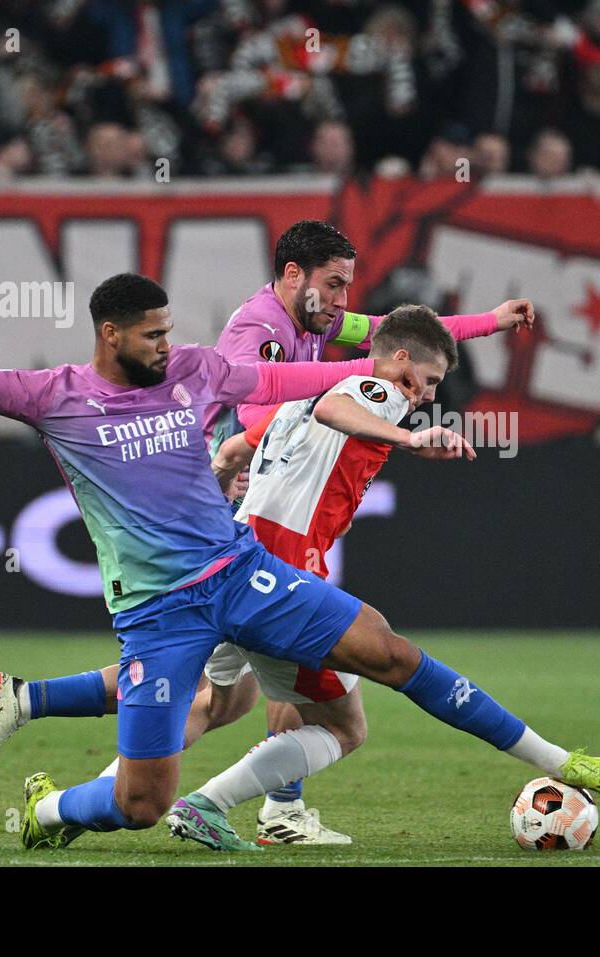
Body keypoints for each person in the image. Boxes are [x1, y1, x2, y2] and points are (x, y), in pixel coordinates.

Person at [0, 238, 600, 853]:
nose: (167, 344)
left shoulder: (195, 370)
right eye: (152, 334)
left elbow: (304, 384)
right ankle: (49, 810)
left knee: (389, 654)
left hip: (241, 571)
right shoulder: (55, 398)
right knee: (142, 803)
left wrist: (397, 368)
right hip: (158, 613)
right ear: (110, 334)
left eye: (168, 331)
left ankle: (554, 760)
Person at [0, 220, 534, 843]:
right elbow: (259, 401)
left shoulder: (318, 321)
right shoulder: (260, 330)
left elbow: (388, 335)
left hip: (244, 501)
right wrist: (258, 454)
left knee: (221, 697)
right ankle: (242, 804)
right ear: (294, 276)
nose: (343, 300)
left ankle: (79, 765)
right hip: (222, 511)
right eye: (335, 284)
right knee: (243, 677)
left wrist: (488, 321)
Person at [167, 304, 478, 849]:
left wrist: (215, 498)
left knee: (218, 703)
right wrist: (408, 439)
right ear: (400, 360)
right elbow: (339, 408)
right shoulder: (377, 392)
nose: (427, 395)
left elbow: (232, 451)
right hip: (281, 564)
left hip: (233, 554)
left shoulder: (301, 393)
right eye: (428, 380)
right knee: (343, 723)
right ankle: (229, 806)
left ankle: (95, 797)